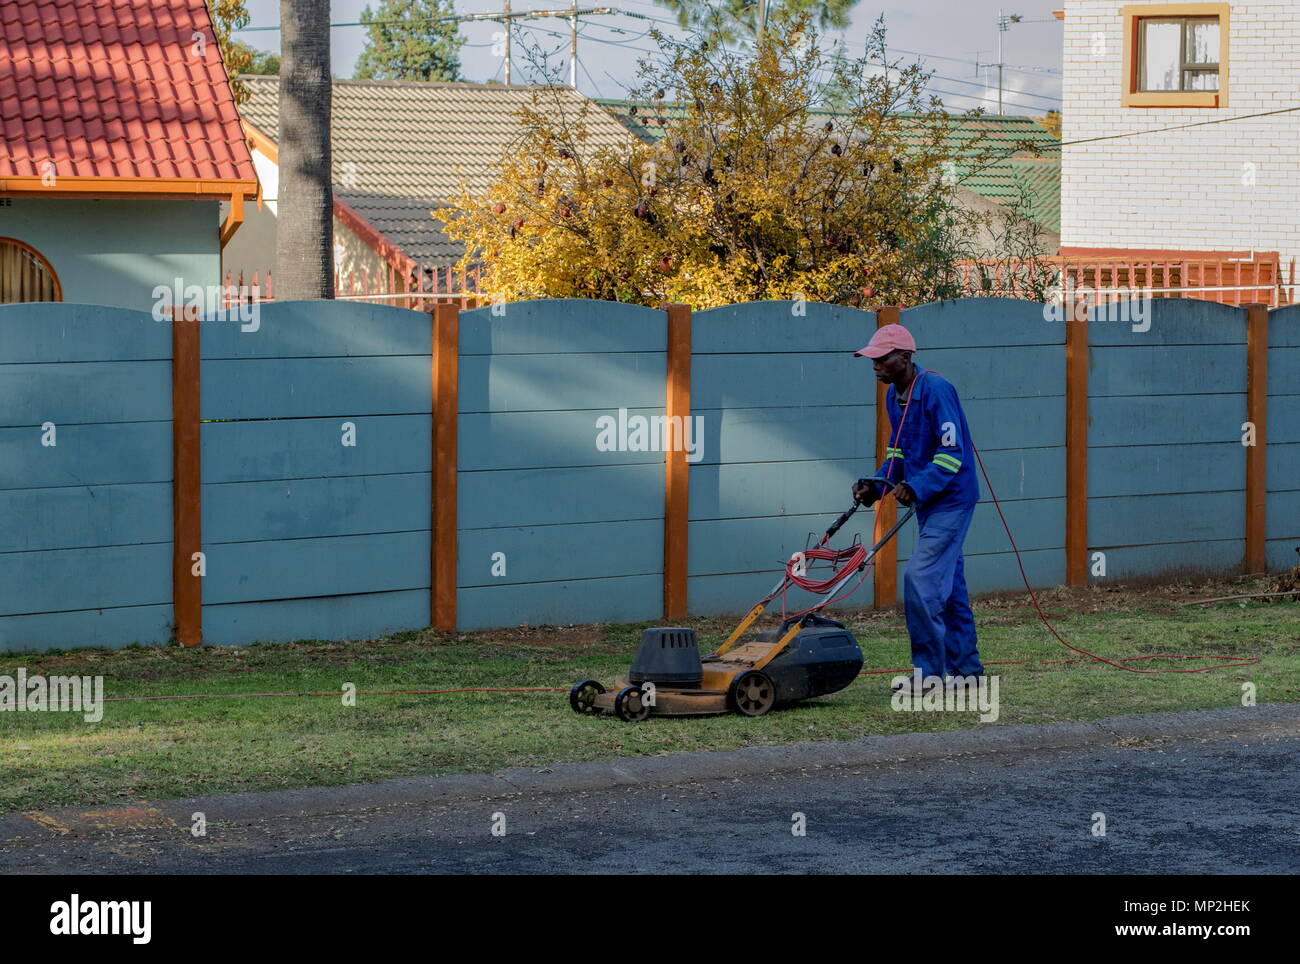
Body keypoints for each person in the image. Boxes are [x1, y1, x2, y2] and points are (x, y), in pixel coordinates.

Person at [850, 324, 984, 694]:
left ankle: (930, 675)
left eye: (882, 358)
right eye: (872, 359)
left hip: (951, 499)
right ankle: (967, 672)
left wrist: (917, 486)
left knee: (920, 579)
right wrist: (877, 485)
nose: (874, 365)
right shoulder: (894, 397)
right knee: (950, 587)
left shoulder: (937, 390)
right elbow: (898, 453)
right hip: (927, 501)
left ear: (906, 358)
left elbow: (952, 453)